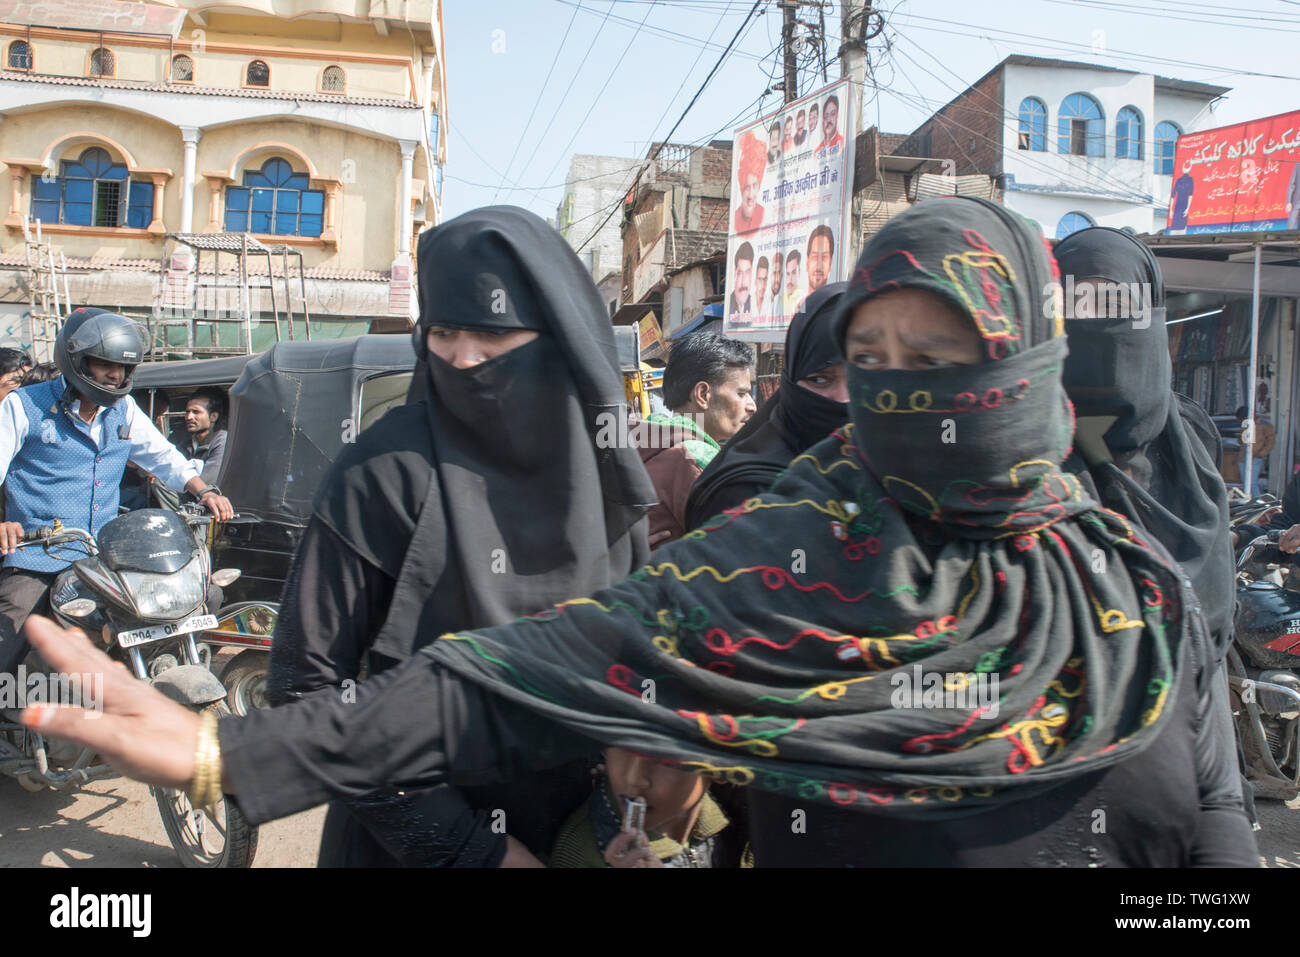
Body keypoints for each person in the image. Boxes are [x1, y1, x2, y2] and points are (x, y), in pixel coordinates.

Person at [23, 198, 1258, 867]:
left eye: (937, 362)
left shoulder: (1126, 576)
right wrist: (235, 758)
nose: (897, 396)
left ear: (1028, 363)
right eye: (869, 364)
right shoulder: (793, 551)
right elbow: (530, 672)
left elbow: (1210, 812)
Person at [259, 206, 654, 868]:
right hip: (408, 845)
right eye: (442, 332)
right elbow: (305, 684)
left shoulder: (608, 479)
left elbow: (633, 673)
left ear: (555, 339)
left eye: (492, 336)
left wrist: (622, 812)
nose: (462, 359)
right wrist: (475, 849)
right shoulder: (383, 469)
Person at [0, 309, 232, 674]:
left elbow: (163, 457)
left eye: (124, 368)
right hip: (38, 553)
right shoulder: (24, 405)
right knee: (12, 630)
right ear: (76, 360)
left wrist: (204, 491)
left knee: (188, 602)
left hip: (101, 559)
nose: (116, 375)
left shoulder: (123, 410)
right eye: (105, 364)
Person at [1055, 227, 1235, 664]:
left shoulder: (1189, 436)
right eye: (1073, 308)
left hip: (1192, 711)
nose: (1095, 323)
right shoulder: (1021, 451)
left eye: (1114, 305)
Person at [685, 283, 848, 529]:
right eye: (820, 379)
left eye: (860, 377)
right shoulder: (743, 493)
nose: (844, 398)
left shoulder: (902, 479)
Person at [634, 332, 755, 546]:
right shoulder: (696, 457)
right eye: (742, 394)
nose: (752, 405)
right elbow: (743, 546)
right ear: (703, 395)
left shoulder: (650, 438)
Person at [548, 746, 748, 868]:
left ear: (722, 767)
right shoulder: (583, 855)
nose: (634, 779)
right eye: (622, 746)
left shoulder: (746, 823)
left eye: (663, 759)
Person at [176, 387, 227, 486]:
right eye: (187, 412)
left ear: (213, 417)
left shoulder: (223, 442)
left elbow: (206, 483)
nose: (188, 417)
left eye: (196, 412)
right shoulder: (186, 443)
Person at [1234, 404, 1273, 497]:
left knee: (1252, 483)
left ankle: (1257, 503)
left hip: (1255, 457)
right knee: (1245, 483)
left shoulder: (1264, 425)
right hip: (1243, 457)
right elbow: (1241, 441)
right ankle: (1249, 501)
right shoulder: (1245, 424)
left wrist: (1261, 454)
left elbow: (1270, 443)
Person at [733, 133, 765, 236]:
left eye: (754, 186)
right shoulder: (735, 220)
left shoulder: (764, 215)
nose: (751, 194)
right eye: (747, 187)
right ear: (742, 190)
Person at [727, 242, 755, 315]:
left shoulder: (754, 305)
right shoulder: (728, 305)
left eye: (747, 273)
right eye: (739, 273)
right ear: (734, 274)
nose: (743, 282)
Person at [806, 224, 834, 294]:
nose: (819, 265)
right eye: (815, 257)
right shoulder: (799, 304)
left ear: (830, 263)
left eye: (824, 257)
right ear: (807, 263)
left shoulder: (836, 304)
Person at [782, 248, 804, 314]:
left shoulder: (802, 298)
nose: (790, 279)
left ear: (799, 272)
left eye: (794, 273)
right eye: (788, 274)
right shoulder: (781, 299)